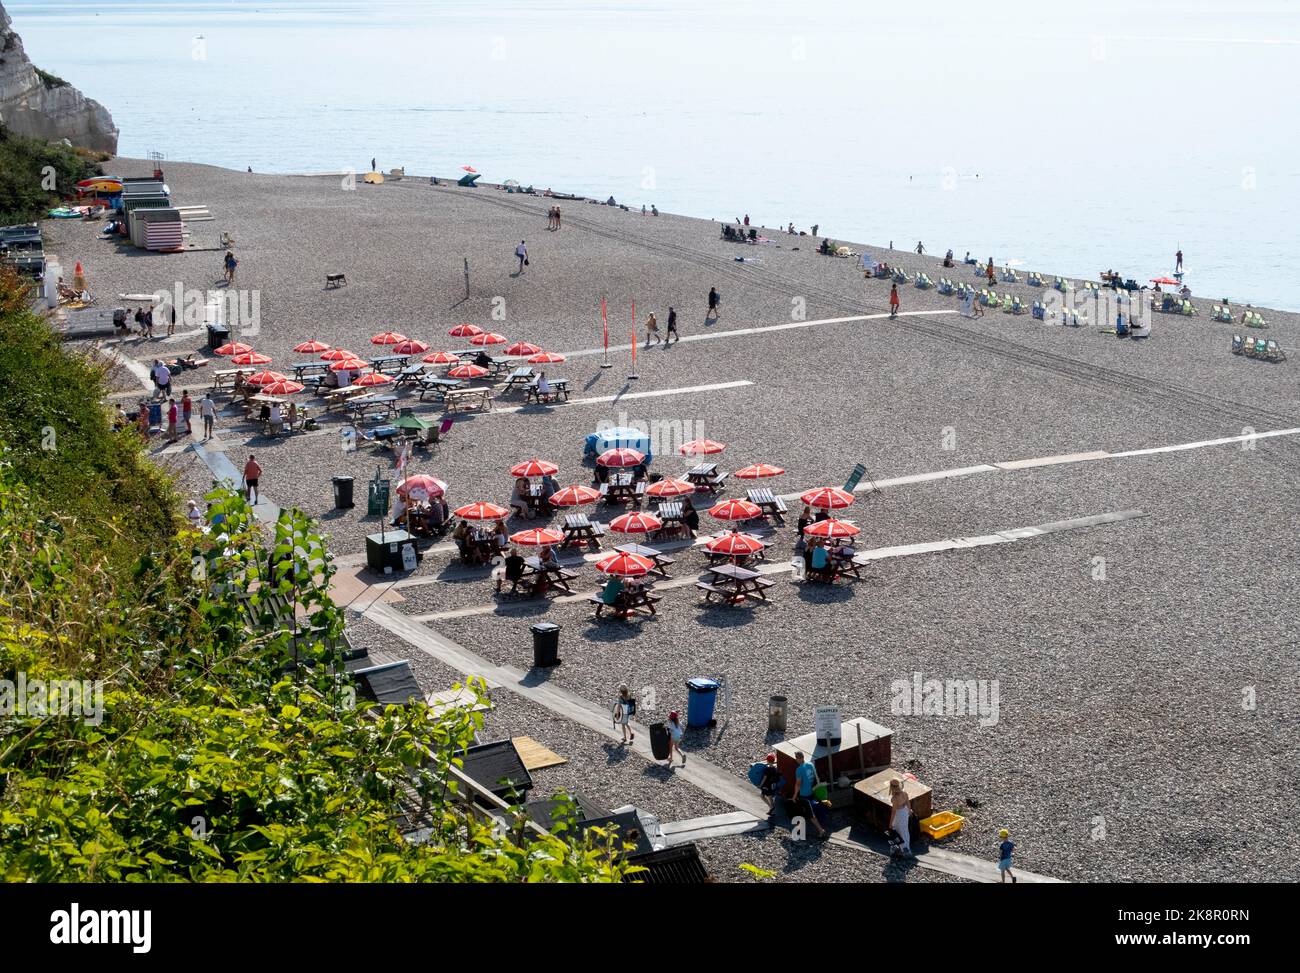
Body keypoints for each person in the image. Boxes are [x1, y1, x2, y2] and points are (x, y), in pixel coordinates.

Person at [792, 752, 827, 837]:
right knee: (803, 810)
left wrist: (795, 795)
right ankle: (799, 828)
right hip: (812, 791)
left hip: (804, 794)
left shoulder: (799, 769)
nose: (796, 760)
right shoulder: (810, 764)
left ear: (798, 758)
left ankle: (821, 830)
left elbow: (798, 784)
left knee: (808, 812)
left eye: (796, 758)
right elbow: (815, 777)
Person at [889, 777, 913, 856]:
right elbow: (907, 802)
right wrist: (909, 810)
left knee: (898, 831)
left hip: (899, 814)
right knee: (905, 830)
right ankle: (906, 847)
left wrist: (890, 823)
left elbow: (894, 811)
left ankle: (902, 849)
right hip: (905, 812)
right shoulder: (904, 793)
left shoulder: (895, 798)